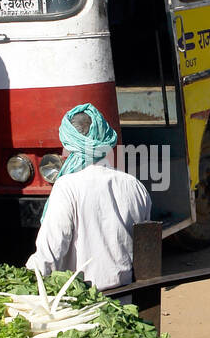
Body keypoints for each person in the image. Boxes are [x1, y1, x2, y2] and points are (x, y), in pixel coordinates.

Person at [26, 104, 151, 290]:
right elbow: (144, 250)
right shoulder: (134, 186)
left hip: (84, 303)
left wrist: (24, 283)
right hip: (125, 297)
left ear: (69, 147)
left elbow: (49, 255)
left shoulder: (67, 187)